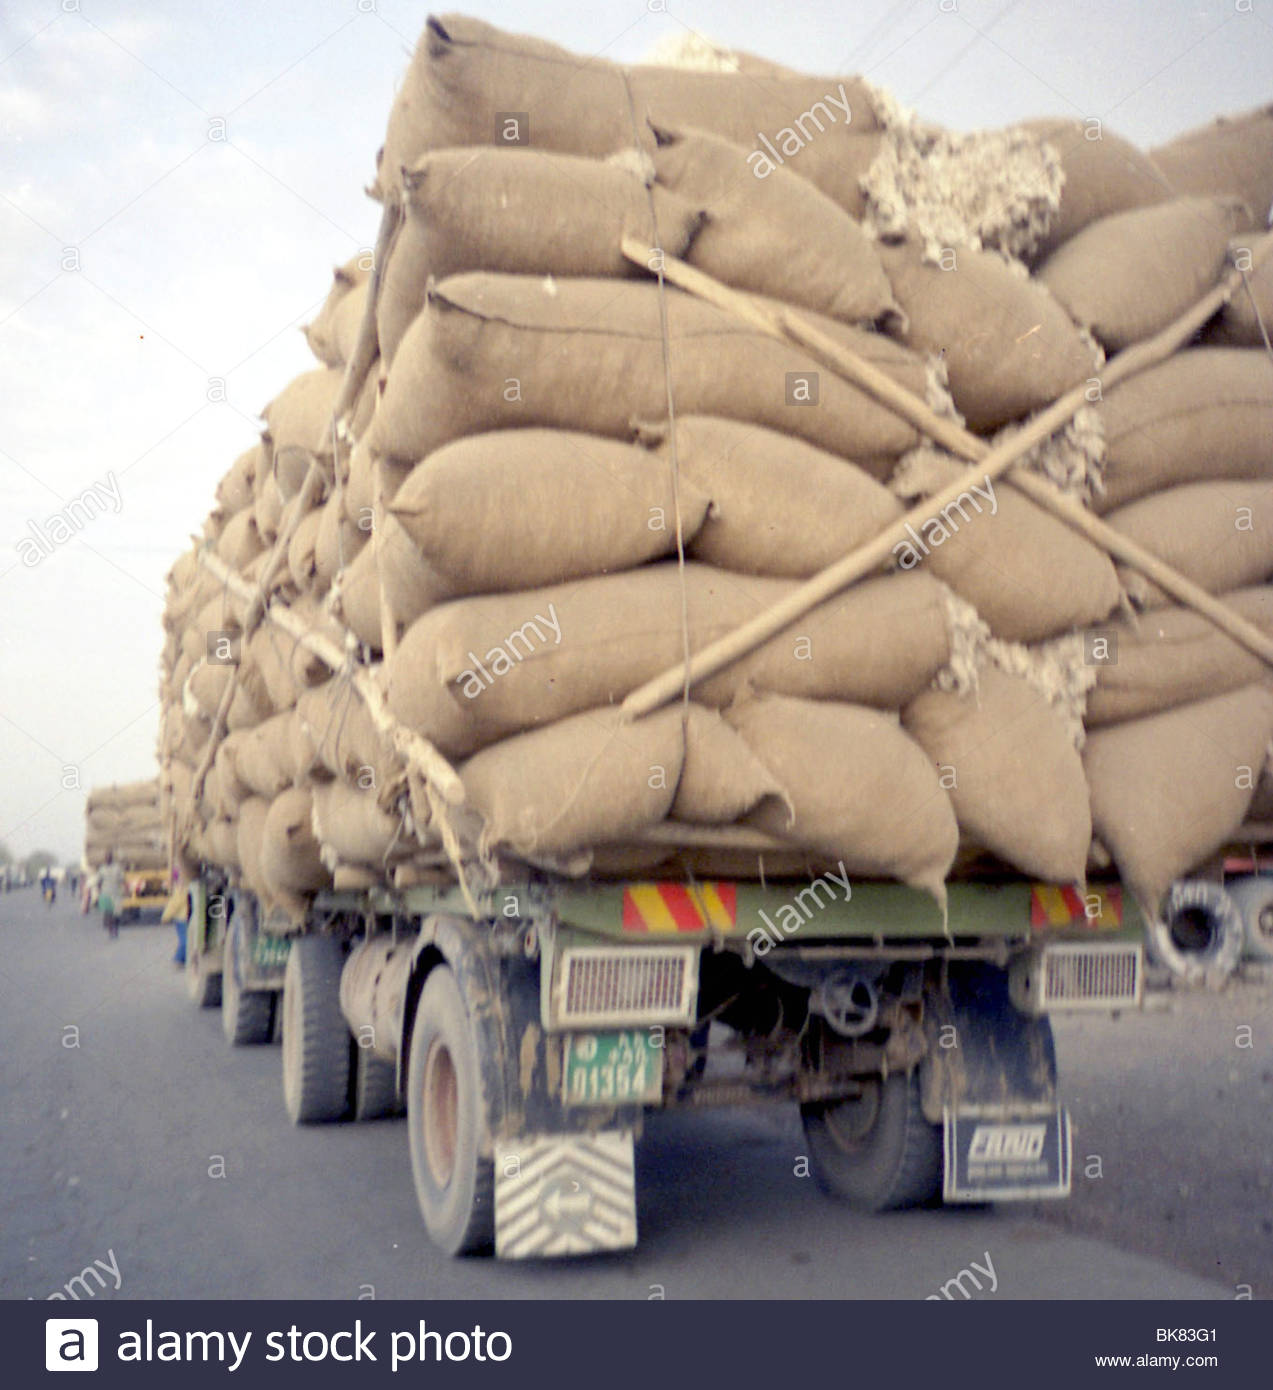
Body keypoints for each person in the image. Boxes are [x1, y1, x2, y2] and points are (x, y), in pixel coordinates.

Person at [98, 854, 125, 939]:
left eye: (109, 858)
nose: (107, 859)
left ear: (112, 858)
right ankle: (110, 931)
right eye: (106, 858)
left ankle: (116, 929)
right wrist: (99, 892)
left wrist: (126, 889)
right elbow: (99, 880)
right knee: (108, 913)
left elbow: (122, 879)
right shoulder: (101, 869)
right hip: (105, 893)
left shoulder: (117, 868)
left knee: (117, 914)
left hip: (116, 893)